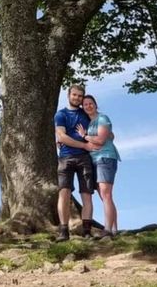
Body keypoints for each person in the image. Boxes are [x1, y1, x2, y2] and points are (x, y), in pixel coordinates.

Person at [54, 84, 98, 241]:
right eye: (75, 95)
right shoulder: (61, 114)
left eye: (80, 96)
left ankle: (87, 231)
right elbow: (62, 137)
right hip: (66, 158)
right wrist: (83, 144)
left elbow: (99, 122)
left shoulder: (85, 113)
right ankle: (63, 231)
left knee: (87, 195)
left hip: (85, 159)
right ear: (69, 95)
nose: (77, 98)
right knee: (64, 193)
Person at [76, 95, 120, 238]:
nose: (88, 106)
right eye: (85, 104)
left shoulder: (102, 118)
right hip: (94, 160)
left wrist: (85, 136)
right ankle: (113, 229)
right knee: (104, 195)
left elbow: (101, 140)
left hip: (105, 158)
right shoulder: (90, 122)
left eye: (91, 103)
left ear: (95, 104)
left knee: (106, 194)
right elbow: (110, 136)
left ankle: (108, 230)